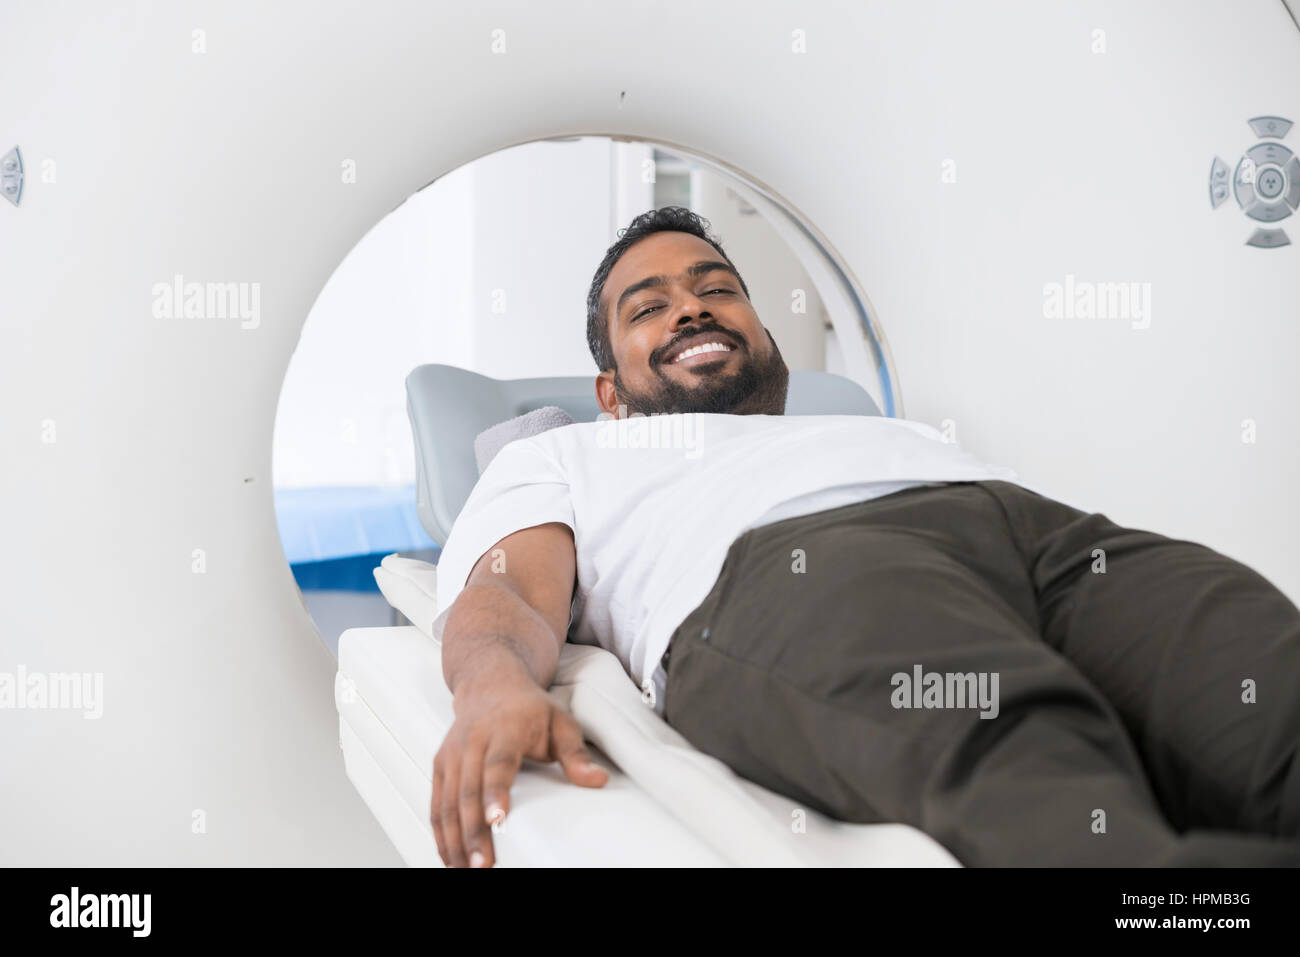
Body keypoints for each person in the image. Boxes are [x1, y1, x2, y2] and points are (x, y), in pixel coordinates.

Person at [429, 206, 1300, 869]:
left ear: (766, 338)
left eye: (717, 288)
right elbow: (504, 593)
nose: (693, 308)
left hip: (1033, 532)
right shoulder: (570, 453)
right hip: (797, 567)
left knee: (1269, 690)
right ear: (610, 391)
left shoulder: (880, 424)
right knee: (1036, 773)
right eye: (649, 307)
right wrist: (494, 688)